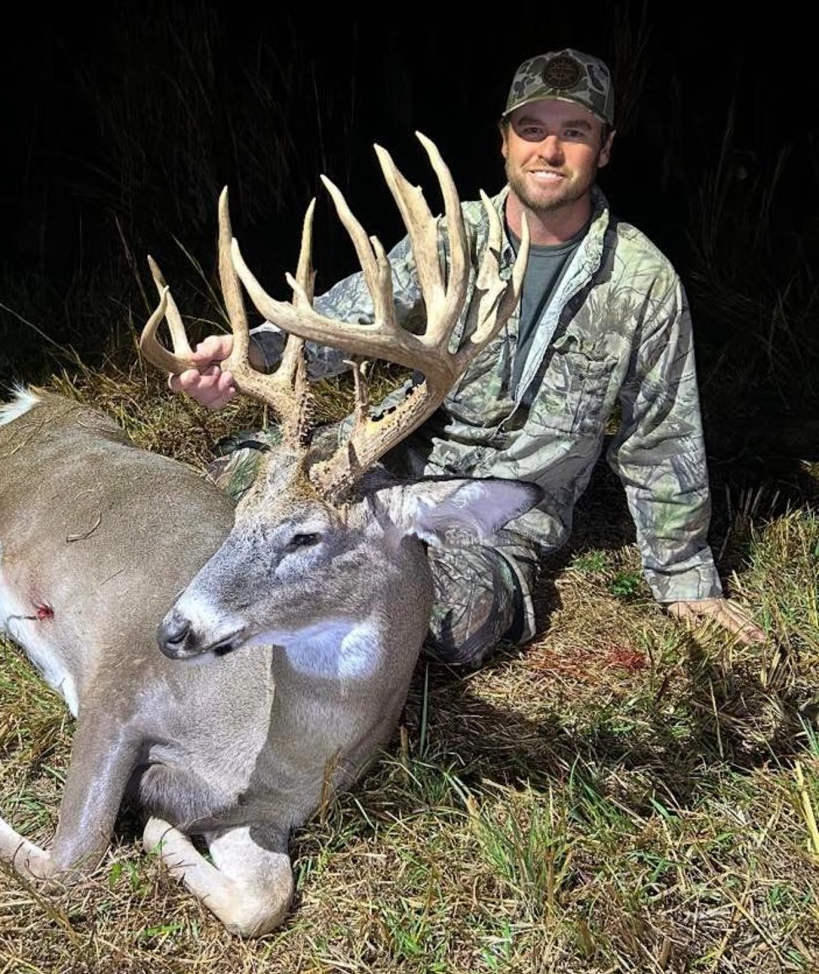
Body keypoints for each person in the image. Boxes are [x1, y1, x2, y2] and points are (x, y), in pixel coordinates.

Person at [168, 48, 764, 662]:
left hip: (501, 516)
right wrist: (252, 353)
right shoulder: (451, 237)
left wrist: (684, 575)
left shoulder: (644, 281)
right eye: (531, 129)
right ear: (505, 141)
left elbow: (661, 435)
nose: (549, 151)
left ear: (605, 148)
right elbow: (346, 322)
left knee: (449, 627)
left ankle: (288, 602)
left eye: (574, 132)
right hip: (386, 470)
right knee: (236, 475)